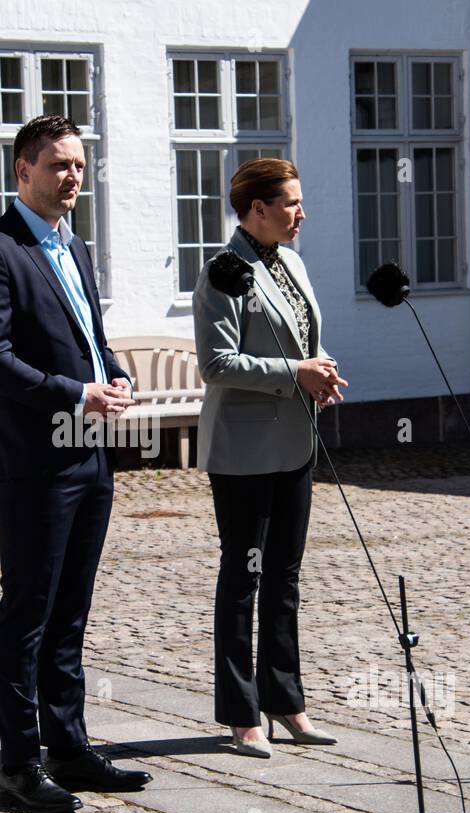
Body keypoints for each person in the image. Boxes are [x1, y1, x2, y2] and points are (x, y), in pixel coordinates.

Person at [0, 115, 153, 813]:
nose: (72, 178)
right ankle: (18, 768)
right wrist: (76, 392)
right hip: (34, 460)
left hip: (89, 453)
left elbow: (87, 336)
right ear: (22, 172)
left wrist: (115, 373)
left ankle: (68, 747)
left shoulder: (76, 248)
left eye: (78, 166)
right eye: (57, 166)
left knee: (72, 612)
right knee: (29, 614)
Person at [191, 158, 348, 758]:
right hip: (243, 450)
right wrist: (295, 374)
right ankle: (240, 713)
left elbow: (301, 338)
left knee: (284, 579)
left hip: (295, 443)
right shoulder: (222, 273)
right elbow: (217, 364)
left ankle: (286, 701)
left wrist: (321, 366)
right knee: (244, 579)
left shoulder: (293, 263)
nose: (301, 213)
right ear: (256, 209)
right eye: (291, 203)